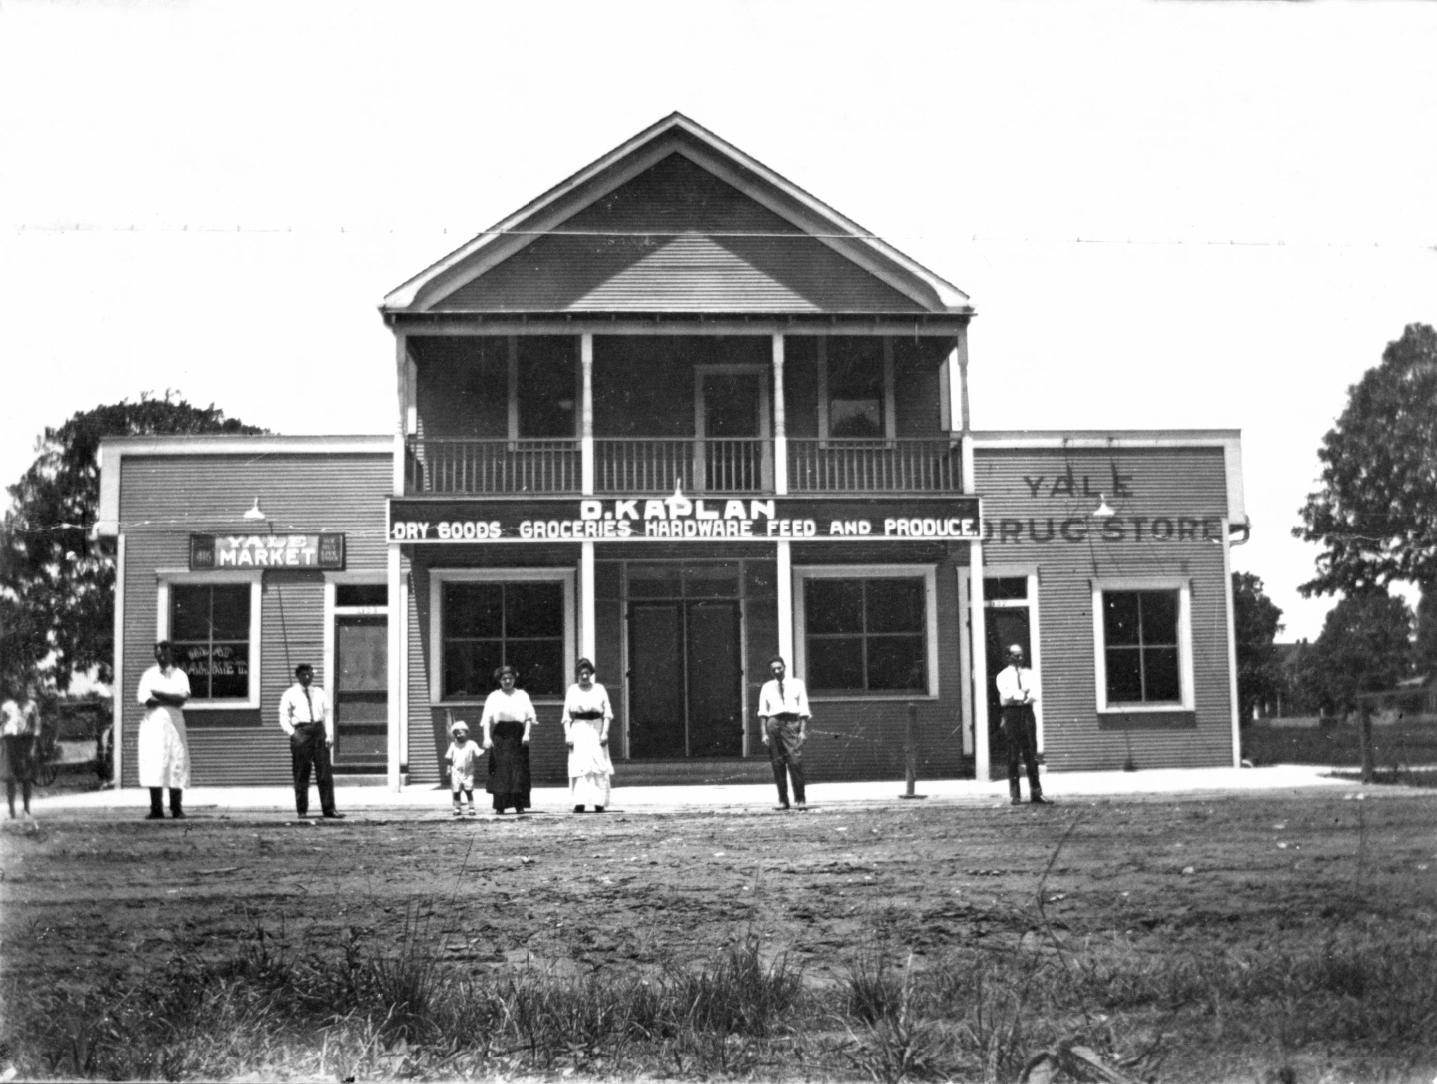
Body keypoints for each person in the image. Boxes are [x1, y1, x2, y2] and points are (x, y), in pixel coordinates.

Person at [279, 663, 342, 819]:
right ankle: (302, 810)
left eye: (310, 675)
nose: (307, 678)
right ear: (298, 676)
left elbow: (327, 715)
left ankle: (329, 809)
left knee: (324, 773)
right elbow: (283, 717)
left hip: (319, 732)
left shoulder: (319, 693)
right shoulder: (290, 694)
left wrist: (329, 734)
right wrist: (293, 734)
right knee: (301, 773)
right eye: (303, 675)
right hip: (301, 733)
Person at [136, 641, 191, 820]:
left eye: (165, 654)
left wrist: (159, 694)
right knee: (155, 764)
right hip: (154, 724)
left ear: (171, 655)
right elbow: (146, 699)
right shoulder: (149, 675)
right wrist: (170, 698)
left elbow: (183, 698)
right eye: (159, 654)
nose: (162, 657)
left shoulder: (180, 675)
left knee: (176, 762)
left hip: (174, 725)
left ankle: (176, 808)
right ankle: (156, 809)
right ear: (155, 655)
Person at [995, 644, 1051, 805]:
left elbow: (1034, 693)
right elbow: (1006, 696)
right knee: (1013, 755)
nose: (1020, 658)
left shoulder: (1029, 674)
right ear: (1008, 657)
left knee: (1031, 755)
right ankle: (1015, 795)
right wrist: (1022, 692)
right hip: (1011, 714)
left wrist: (1022, 694)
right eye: (1016, 656)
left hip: (1026, 713)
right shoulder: (1002, 676)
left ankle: (1036, 793)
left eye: (1021, 655)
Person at [758, 655, 810, 811]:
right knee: (777, 762)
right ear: (770, 671)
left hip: (791, 723)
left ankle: (800, 799)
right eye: (773, 669)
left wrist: (802, 730)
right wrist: (764, 733)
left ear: (784, 667)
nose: (776, 671)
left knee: (795, 761)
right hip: (773, 724)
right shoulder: (767, 687)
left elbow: (804, 709)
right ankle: (783, 800)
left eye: (779, 668)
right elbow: (762, 712)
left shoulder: (797, 684)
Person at [481, 665, 535, 814]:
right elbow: (486, 719)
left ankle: (519, 805)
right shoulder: (494, 696)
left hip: (518, 735)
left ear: (514, 679)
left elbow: (529, 716)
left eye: (510, 678)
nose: (507, 681)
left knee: (519, 770)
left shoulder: (522, 695)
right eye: (504, 678)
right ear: (499, 680)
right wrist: (486, 737)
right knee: (501, 771)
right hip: (500, 735)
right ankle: (500, 806)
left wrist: (527, 734)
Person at [562, 658, 613, 813]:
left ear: (591, 673)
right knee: (580, 764)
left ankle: (599, 802)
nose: (584, 677)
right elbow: (566, 714)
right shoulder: (572, 690)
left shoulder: (599, 689)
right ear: (577, 674)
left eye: (587, 673)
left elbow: (607, 713)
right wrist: (567, 734)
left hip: (596, 728)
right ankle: (580, 802)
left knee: (598, 763)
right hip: (578, 728)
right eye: (581, 673)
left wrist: (604, 732)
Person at [1, 684, 41, 824]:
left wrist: (33, 743)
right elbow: (2, 723)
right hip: (11, 741)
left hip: (26, 741)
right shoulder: (7, 706)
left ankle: (27, 810)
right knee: (10, 778)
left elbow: (36, 723)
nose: (20, 695)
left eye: (23, 692)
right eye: (17, 692)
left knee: (26, 778)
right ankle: (12, 811)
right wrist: (3, 739)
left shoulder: (32, 705)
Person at [445, 720, 482, 817]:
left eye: (460, 733)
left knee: (468, 790)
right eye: (456, 734)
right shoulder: (453, 745)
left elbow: (478, 753)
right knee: (456, 791)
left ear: (466, 732)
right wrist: (448, 769)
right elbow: (449, 758)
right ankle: (457, 808)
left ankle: (471, 808)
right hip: (456, 772)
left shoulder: (471, 744)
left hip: (468, 772)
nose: (458, 735)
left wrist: (484, 751)